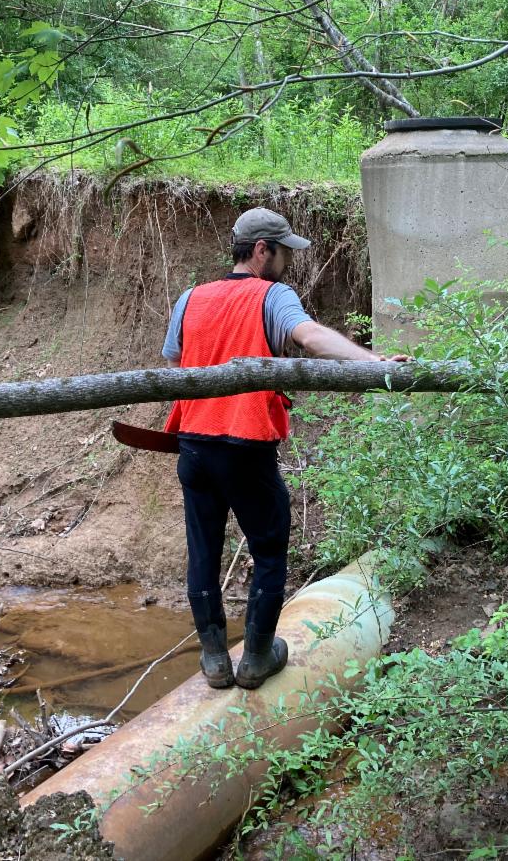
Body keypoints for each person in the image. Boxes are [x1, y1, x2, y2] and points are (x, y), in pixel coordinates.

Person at [161, 207, 406, 690]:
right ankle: (255, 658)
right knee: (270, 548)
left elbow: (174, 361)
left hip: (193, 445)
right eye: (282, 253)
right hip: (245, 443)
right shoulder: (272, 295)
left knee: (203, 549)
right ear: (260, 251)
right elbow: (309, 336)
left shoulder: (190, 299)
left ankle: (213, 659)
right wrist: (373, 362)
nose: (286, 263)